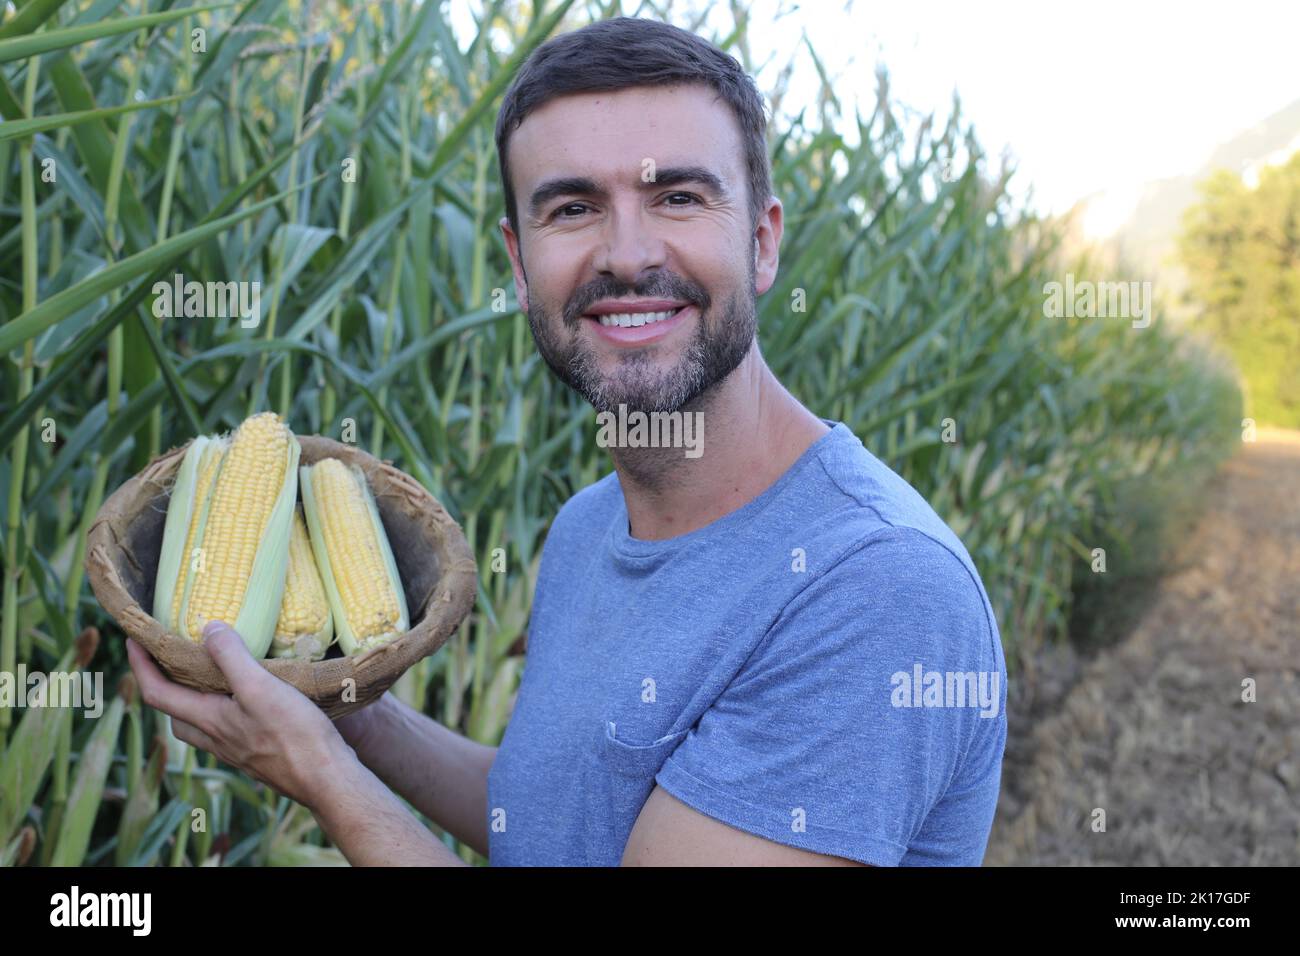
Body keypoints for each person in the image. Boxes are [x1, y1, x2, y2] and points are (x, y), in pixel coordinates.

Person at [129, 15, 1007, 867]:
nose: (626, 254)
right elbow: (556, 819)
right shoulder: (591, 527)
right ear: (518, 265)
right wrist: (351, 714)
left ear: (764, 242)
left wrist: (322, 777)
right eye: (575, 207)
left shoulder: (876, 590)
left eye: (678, 197)